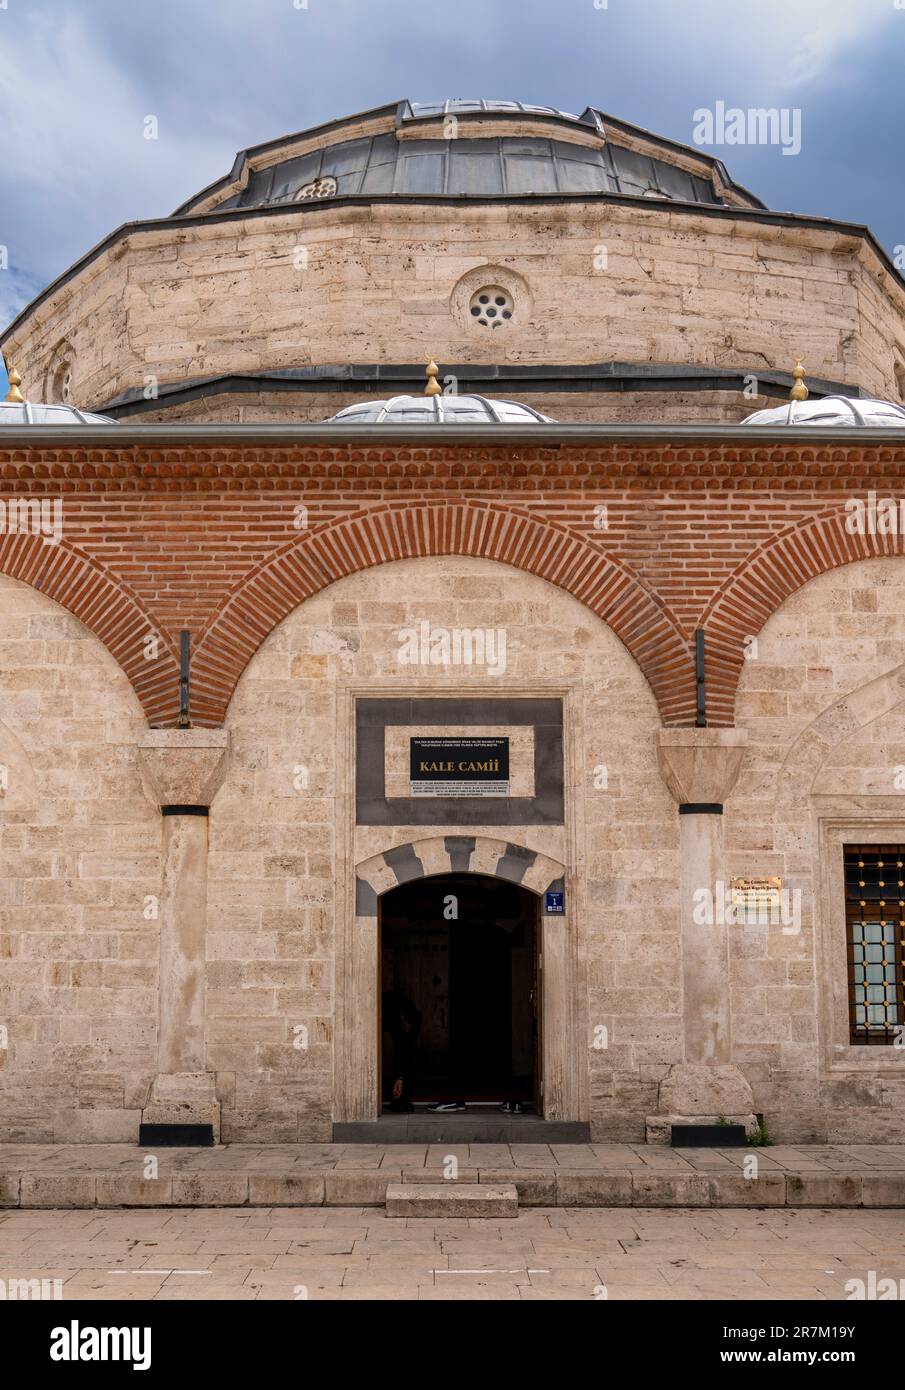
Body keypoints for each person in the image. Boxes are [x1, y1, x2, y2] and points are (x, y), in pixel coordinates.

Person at [382, 990, 422, 1112]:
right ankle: (397, 1096)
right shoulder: (391, 1014)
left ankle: (402, 1097)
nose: (407, 1028)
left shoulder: (416, 1019)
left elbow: (407, 1050)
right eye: (405, 1025)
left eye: (408, 1026)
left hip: (399, 1018)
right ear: (402, 1018)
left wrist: (401, 1078)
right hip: (387, 1013)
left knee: (407, 1053)